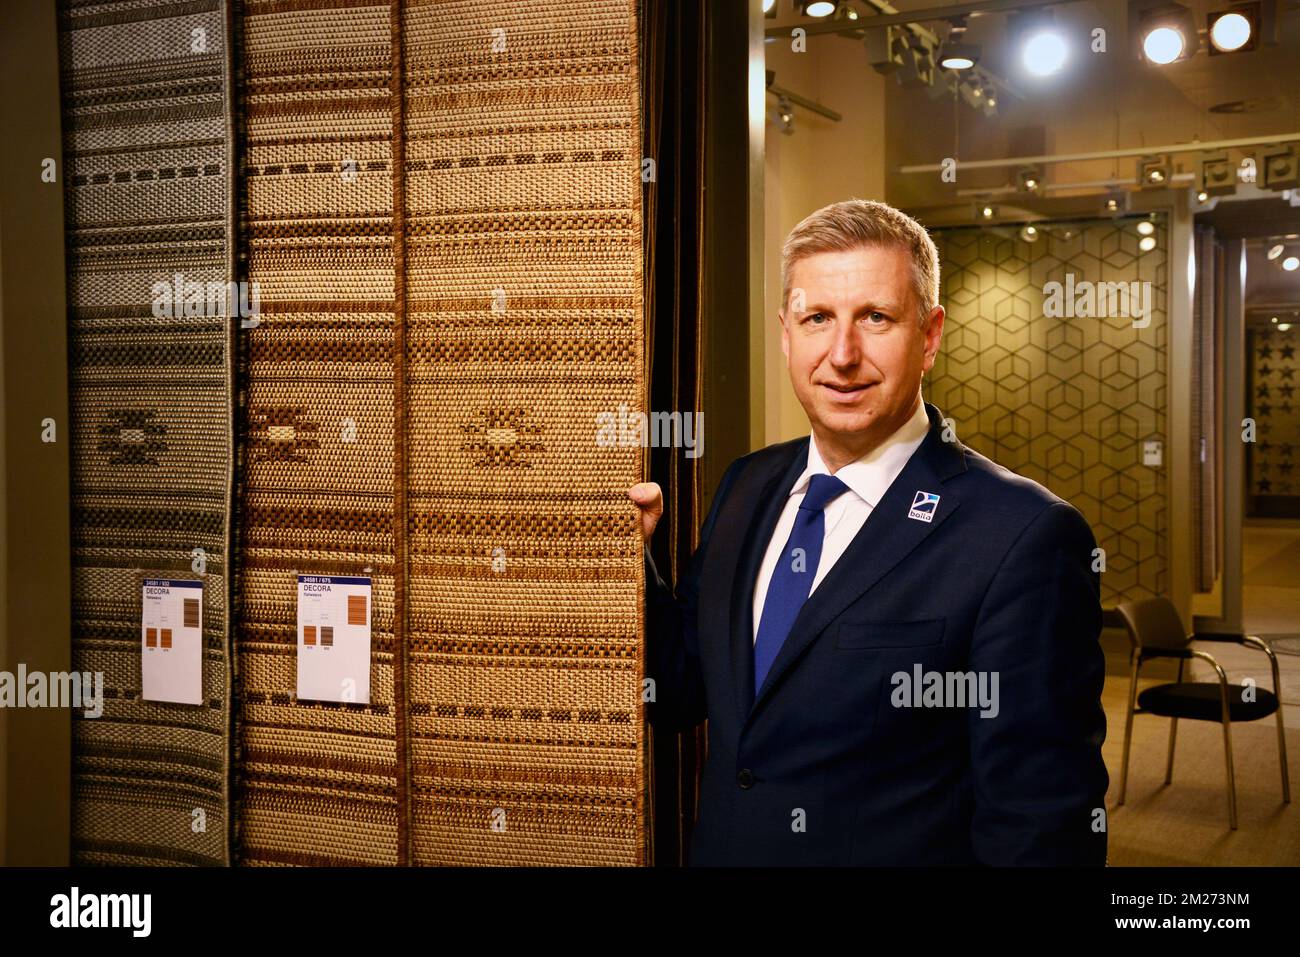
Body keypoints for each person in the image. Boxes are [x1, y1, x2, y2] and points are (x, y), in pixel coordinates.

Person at [628, 199, 1108, 866]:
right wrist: (628, 560)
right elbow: (680, 691)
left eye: (875, 318)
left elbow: (1041, 825)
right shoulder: (745, 486)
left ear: (931, 334)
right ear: (786, 333)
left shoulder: (1023, 536)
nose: (842, 354)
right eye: (817, 318)